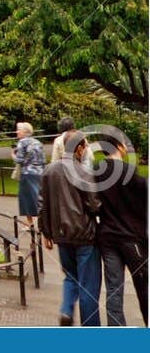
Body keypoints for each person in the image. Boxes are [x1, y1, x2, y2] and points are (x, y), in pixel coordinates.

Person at [39, 130, 102, 325]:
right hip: (84, 235)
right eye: (86, 146)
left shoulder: (49, 171)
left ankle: (66, 310)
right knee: (88, 285)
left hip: (61, 235)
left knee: (70, 277)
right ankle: (91, 328)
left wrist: (46, 233)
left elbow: (42, 205)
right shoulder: (83, 172)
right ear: (79, 148)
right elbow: (94, 205)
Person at [96, 136, 148, 327]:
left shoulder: (96, 172)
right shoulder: (128, 171)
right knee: (143, 285)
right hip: (131, 237)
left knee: (113, 288)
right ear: (118, 147)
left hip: (107, 236)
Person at [13, 121, 46, 227]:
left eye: (19, 130)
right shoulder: (37, 142)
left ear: (24, 132)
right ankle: (43, 221)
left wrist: (13, 155)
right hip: (40, 172)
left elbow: (19, 160)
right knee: (39, 196)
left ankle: (30, 222)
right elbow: (43, 159)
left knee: (26, 198)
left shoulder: (22, 142)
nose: (17, 132)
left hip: (27, 173)